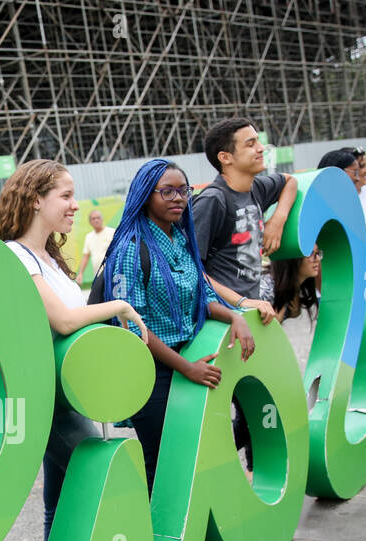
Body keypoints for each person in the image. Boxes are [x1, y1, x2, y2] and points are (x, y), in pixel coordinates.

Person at [0, 159, 147, 541]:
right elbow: (63, 321)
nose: (75, 205)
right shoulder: (15, 256)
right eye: (66, 196)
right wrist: (119, 306)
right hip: (47, 403)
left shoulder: (49, 258)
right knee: (105, 482)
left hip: (67, 395)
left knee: (59, 504)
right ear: (35, 201)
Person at [101, 158, 257, 490]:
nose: (178, 198)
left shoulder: (182, 240)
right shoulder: (131, 248)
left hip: (189, 359)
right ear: (146, 195)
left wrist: (234, 315)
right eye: (167, 191)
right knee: (162, 467)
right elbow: (132, 327)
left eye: (183, 191)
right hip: (152, 370)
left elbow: (199, 297)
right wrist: (186, 368)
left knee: (196, 461)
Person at [193, 118, 295, 309]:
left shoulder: (256, 188)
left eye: (258, 141)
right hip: (222, 316)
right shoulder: (213, 200)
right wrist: (241, 301)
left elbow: (290, 182)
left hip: (250, 310)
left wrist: (277, 220)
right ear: (225, 157)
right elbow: (191, 268)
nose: (261, 148)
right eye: (251, 144)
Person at [269, 248, 322, 325]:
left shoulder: (297, 291)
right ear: (292, 258)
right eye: (310, 253)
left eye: (317, 253)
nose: (317, 259)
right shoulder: (267, 287)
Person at [76, 209, 115, 287]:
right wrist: (80, 273)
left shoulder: (112, 232)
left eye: (98, 218)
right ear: (90, 222)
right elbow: (86, 256)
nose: (96, 220)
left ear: (102, 219)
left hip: (112, 273)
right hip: (97, 275)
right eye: (93, 219)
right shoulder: (89, 237)